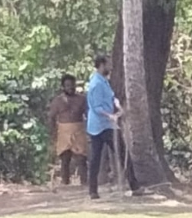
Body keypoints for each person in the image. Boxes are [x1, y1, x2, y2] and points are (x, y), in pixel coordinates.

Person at [86, 55, 130, 199]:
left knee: (122, 152)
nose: (110, 66)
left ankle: (134, 185)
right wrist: (109, 115)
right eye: (108, 64)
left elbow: (111, 97)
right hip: (99, 126)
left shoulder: (104, 82)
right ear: (101, 65)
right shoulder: (96, 84)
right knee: (96, 158)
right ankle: (93, 190)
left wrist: (117, 105)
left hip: (109, 124)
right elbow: (96, 107)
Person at [47, 74, 89, 186]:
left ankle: (84, 183)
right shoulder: (57, 101)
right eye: (67, 85)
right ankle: (65, 183)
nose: (70, 87)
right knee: (65, 159)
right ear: (63, 87)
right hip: (63, 132)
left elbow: (88, 115)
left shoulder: (82, 99)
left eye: (72, 85)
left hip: (78, 130)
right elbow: (51, 117)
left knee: (81, 158)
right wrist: (53, 133)